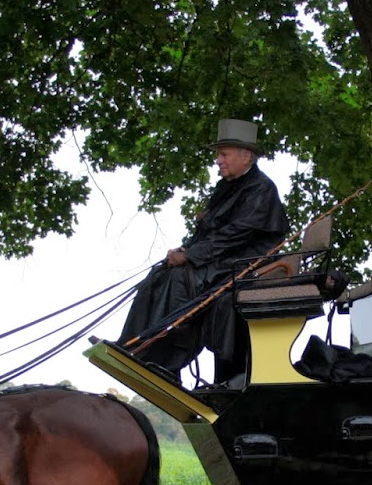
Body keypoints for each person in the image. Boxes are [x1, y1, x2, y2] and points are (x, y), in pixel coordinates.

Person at [121, 118, 289, 378]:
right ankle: (133, 345)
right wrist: (183, 250)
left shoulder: (261, 188)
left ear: (246, 157)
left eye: (223, 154)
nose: (218, 160)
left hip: (245, 262)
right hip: (219, 258)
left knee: (180, 279)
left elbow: (237, 234)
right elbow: (209, 232)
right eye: (218, 155)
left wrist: (190, 256)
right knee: (158, 275)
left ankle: (167, 362)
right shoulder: (225, 187)